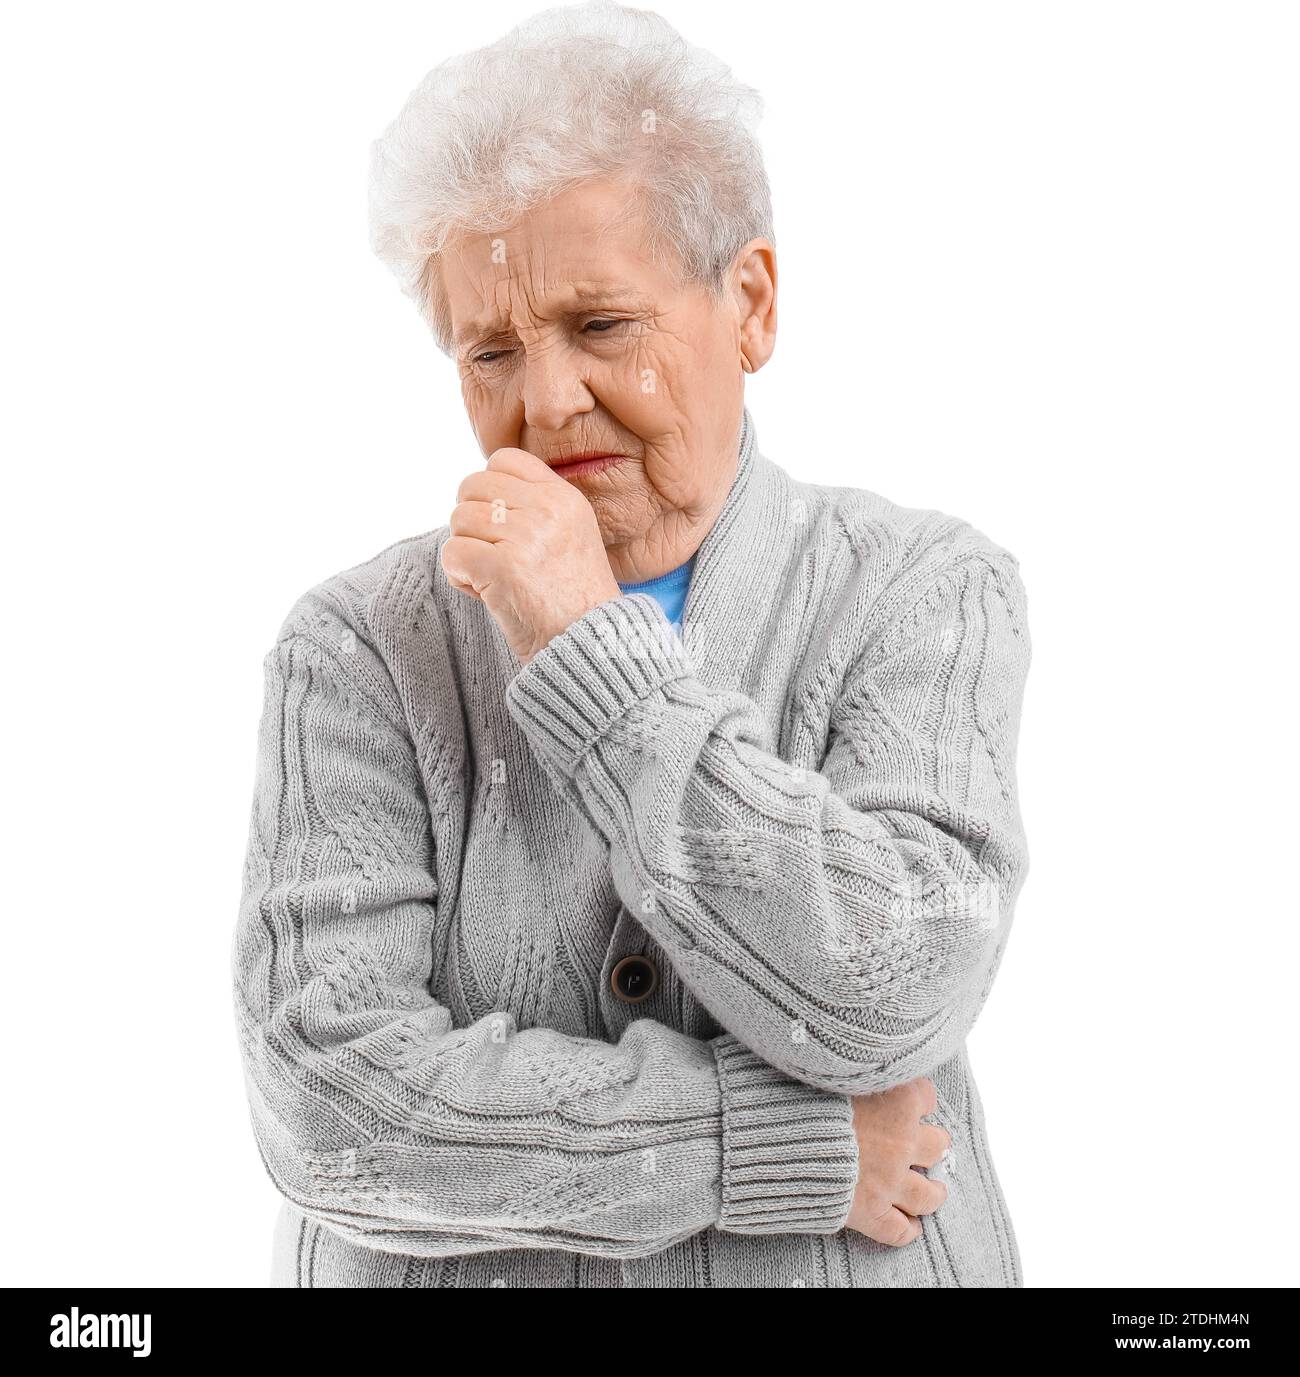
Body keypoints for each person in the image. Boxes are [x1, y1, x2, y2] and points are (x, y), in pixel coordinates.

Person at [232, 0, 1032, 1288]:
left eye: (602, 326)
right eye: (489, 348)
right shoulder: (357, 648)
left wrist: (589, 652)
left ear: (752, 306)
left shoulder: (922, 590)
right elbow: (333, 1108)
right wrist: (768, 1143)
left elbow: (894, 988)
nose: (545, 401)